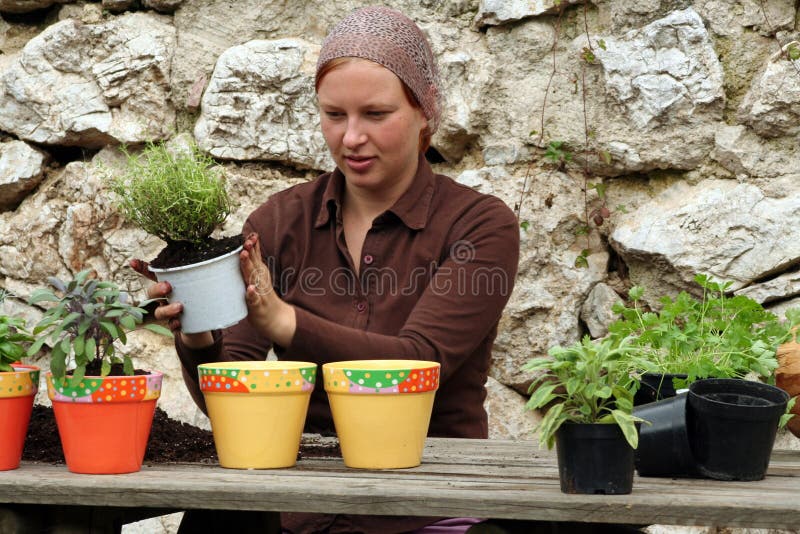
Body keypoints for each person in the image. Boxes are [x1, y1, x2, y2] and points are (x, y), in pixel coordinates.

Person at [135, 6, 519, 533]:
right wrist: (198, 333)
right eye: (334, 115)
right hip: (302, 503)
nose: (351, 137)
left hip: (430, 502)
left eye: (376, 115)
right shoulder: (280, 221)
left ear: (425, 112)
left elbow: (418, 362)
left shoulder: (478, 224)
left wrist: (288, 324)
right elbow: (231, 397)